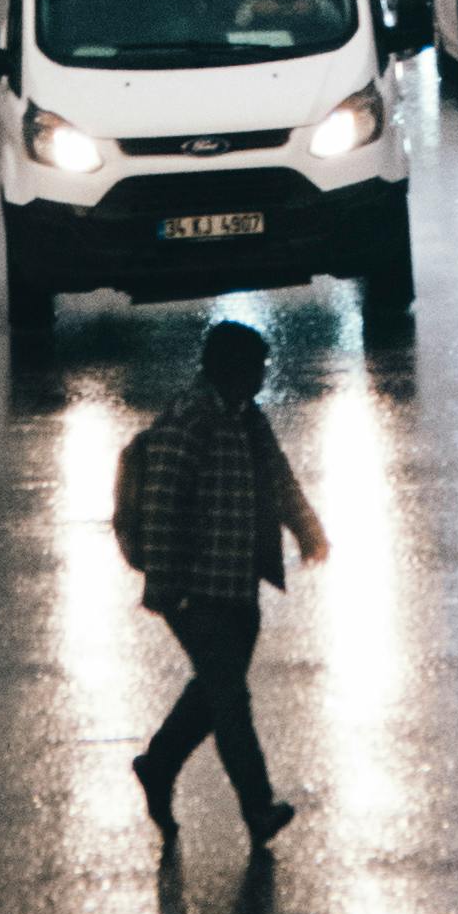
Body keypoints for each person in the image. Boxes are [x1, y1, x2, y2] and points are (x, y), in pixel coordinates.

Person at [123, 319, 326, 850]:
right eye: (257, 368)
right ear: (231, 370)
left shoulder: (247, 418)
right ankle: (257, 809)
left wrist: (307, 530)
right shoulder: (189, 422)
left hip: (239, 585)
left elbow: (278, 478)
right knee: (230, 698)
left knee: (216, 691)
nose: (263, 377)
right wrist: (168, 588)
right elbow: (161, 507)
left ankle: (159, 764)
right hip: (197, 592)